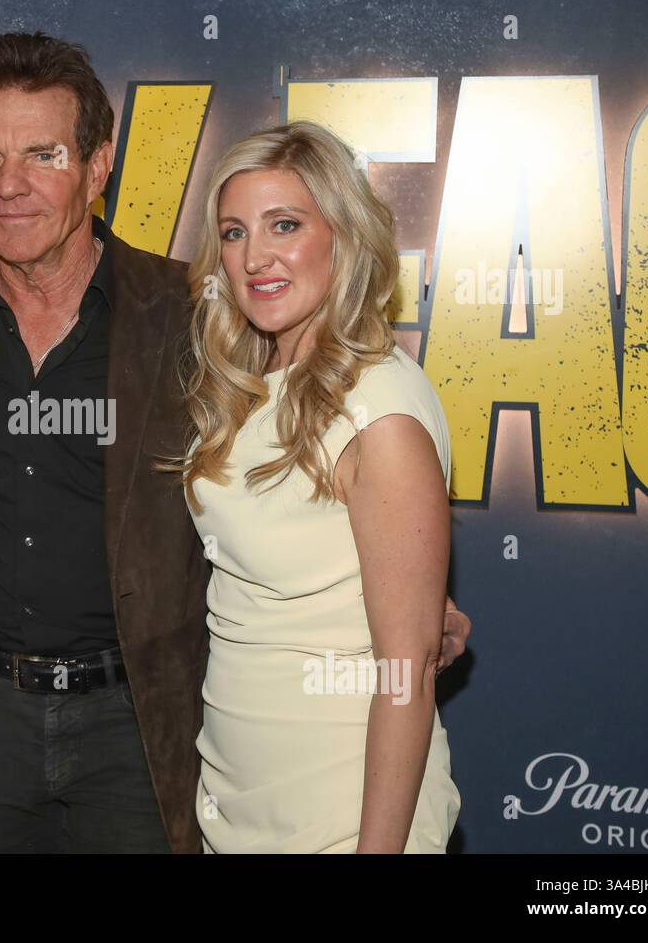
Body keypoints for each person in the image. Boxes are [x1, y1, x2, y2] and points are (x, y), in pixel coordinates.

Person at [0, 33, 471, 853]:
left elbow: (364, 497)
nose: (10, 184)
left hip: (137, 720)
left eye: (43, 154)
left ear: (97, 168)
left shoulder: (188, 313)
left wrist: (411, 615)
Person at [169, 120, 461, 852]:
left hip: (344, 808)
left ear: (345, 237)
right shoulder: (252, 387)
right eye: (233, 233)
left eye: (285, 225)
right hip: (238, 796)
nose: (254, 257)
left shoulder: (380, 412)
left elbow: (406, 671)